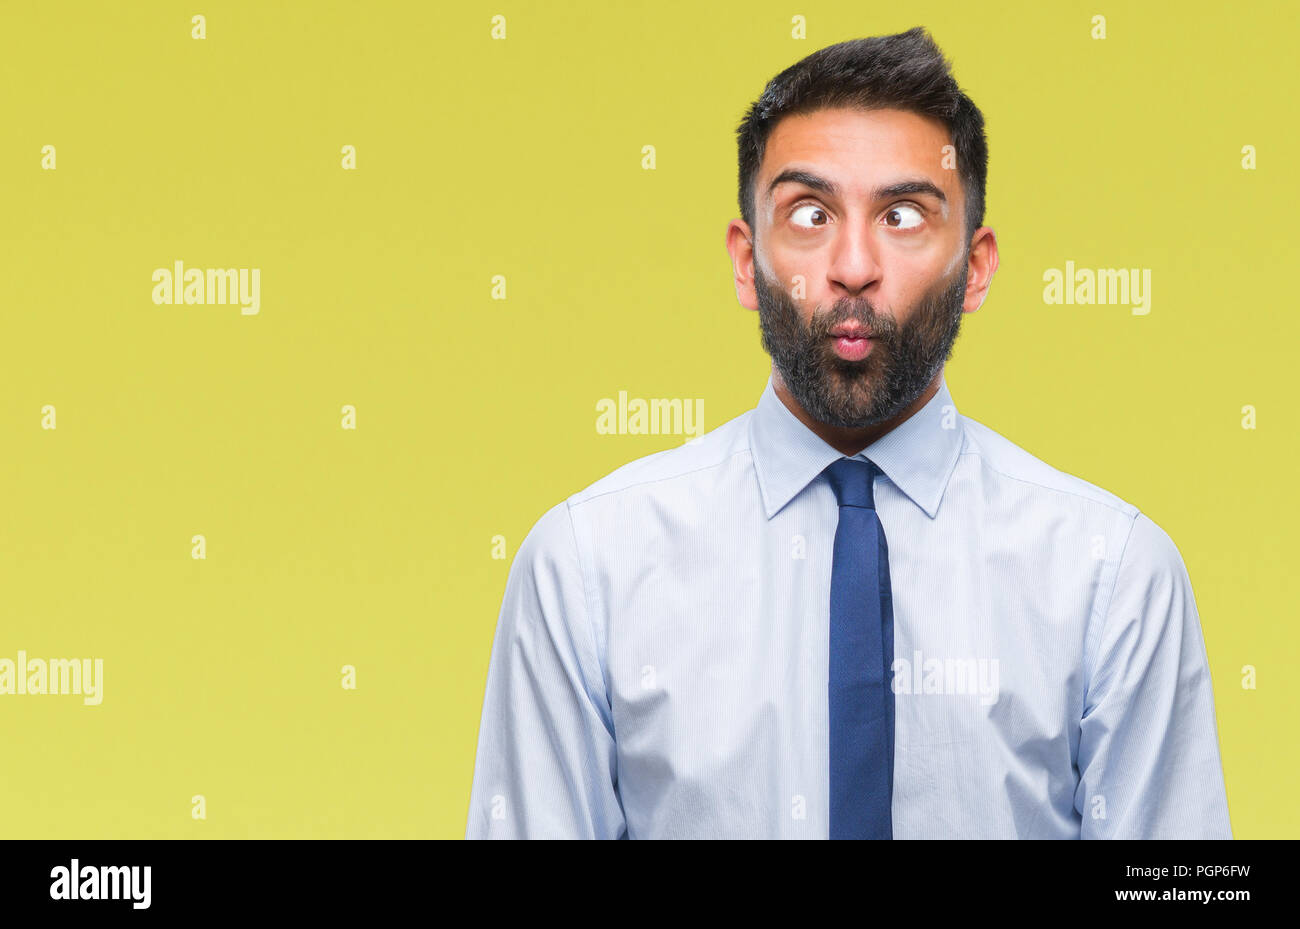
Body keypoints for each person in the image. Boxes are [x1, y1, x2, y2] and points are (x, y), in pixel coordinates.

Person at [464, 26, 1232, 839]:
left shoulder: (1112, 578)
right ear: (744, 259)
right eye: (809, 213)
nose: (854, 264)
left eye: (903, 215)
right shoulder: (586, 571)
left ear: (974, 268)